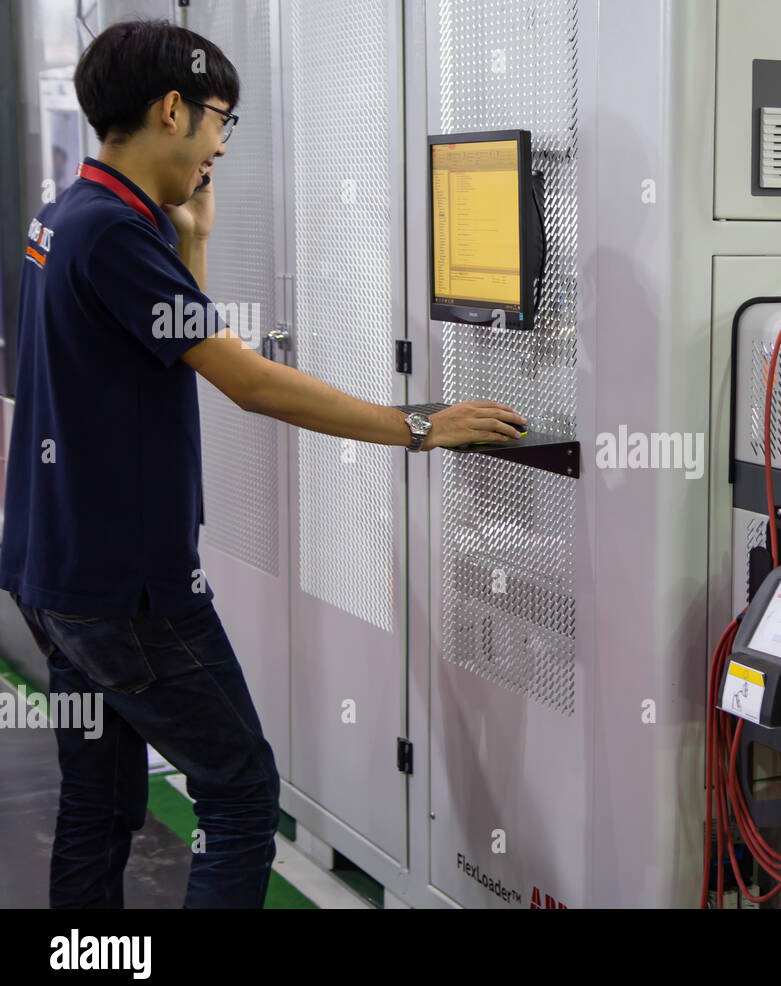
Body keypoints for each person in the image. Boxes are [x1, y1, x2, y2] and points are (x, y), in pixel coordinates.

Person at [0, 18, 523, 909]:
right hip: (128, 591)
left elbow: (165, 339)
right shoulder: (116, 236)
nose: (219, 147)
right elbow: (248, 383)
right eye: (217, 122)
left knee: (99, 799)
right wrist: (418, 424)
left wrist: (194, 236)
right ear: (173, 109)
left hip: (53, 575)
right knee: (240, 791)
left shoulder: (72, 215)